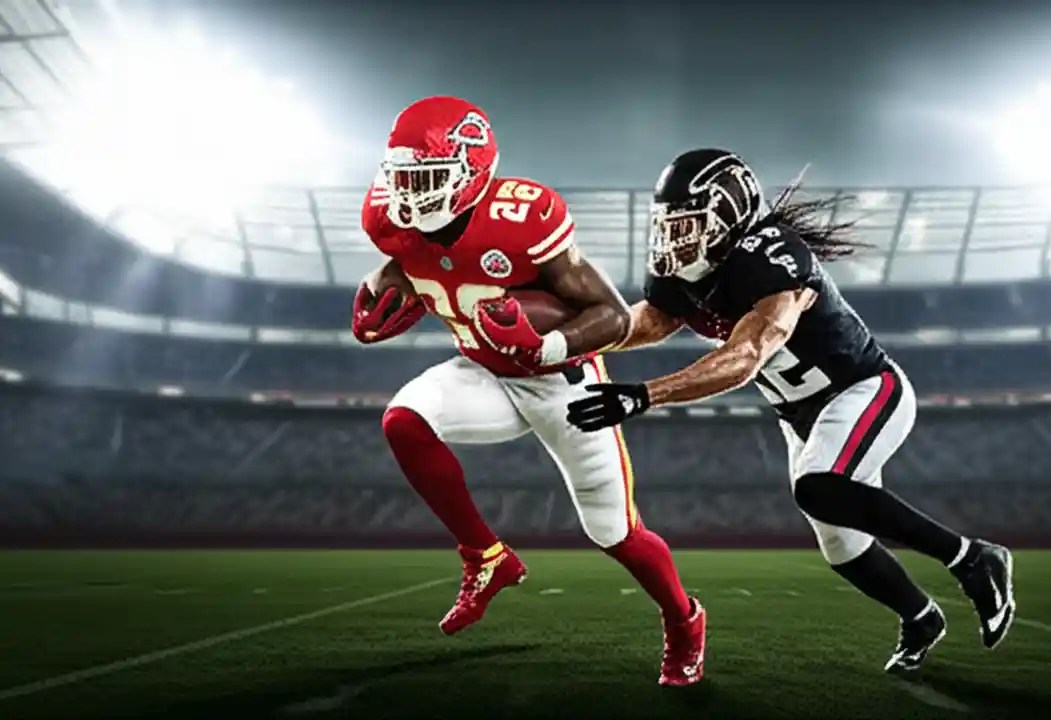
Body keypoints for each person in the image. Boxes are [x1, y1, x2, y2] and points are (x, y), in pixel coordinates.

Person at [567, 148, 1014, 673]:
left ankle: (971, 558)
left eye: (688, 224)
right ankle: (920, 617)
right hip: (801, 416)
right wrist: (571, 341)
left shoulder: (771, 255)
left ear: (728, 212)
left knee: (819, 487)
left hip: (864, 390)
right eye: (670, 225)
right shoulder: (689, 270)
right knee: (842, 548)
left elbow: (745, 356)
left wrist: (643, 395)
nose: (675, 239)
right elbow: (657, 319)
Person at [355, 97, 705, 686]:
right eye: (404, 179)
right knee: (404, 421)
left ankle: (684, 621)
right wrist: (378, 290)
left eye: (428, 178)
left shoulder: (523, 217)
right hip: (485, 373)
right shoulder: (390, 219)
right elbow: (409, 265)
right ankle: (485, 558)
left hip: (562, 383)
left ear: (474, 171)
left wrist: (545, 346)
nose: (412, 195)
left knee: (614, 533)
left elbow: (614, 316)